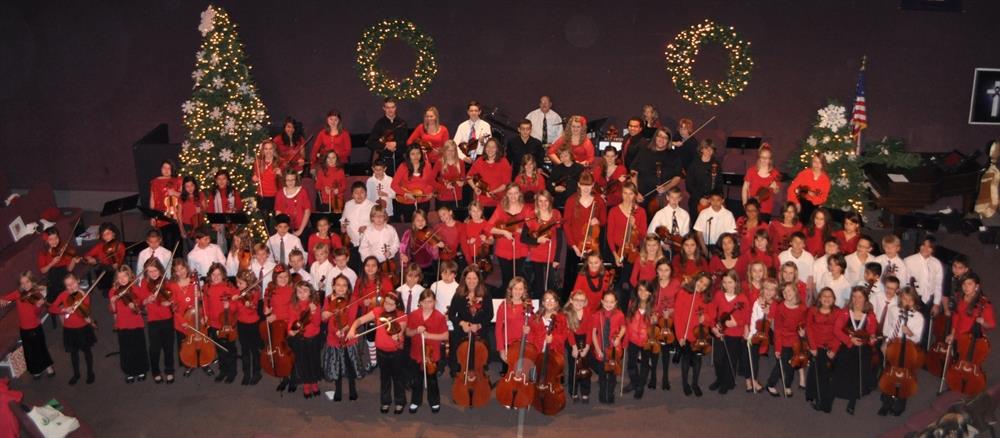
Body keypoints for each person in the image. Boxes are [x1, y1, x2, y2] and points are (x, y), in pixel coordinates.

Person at [878, 287, 924, 416]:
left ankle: (901, 401)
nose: (907, 302)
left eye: (910, 300)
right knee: (889, 372)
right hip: (893, 346)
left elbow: (917, 338)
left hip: (909, 348)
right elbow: (888, 328)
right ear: (900, 299)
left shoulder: (918, 317)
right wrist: (885, 342)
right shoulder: (893, 310)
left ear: (914, 301)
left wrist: (909, 332)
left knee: (904, 376)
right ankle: (886, 401)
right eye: (904, 299)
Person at [321, 275, 368, 401]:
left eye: (344, 285)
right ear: (333, 286)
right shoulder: (328, 299)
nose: (341, 288)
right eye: (338, 285)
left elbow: (352, 319)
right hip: (333, 337)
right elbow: (325, 317)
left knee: (349, 365)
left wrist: (343, 330)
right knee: (337, 366)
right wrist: (326, 314)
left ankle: (352, 389)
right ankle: (338, 390)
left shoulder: (352, 299)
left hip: (348, 337)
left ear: (348, 287)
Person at [832, 286, 878, 415]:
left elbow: (871, 334)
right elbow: (836, 330)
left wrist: (871, 340)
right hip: (848, 345)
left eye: (860, 297)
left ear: (865, 299)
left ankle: (853, 399)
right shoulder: (845, 312)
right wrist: (849, 340)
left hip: (862, 348)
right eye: (854, 296)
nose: (857, 300)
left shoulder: (870, 315)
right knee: (843, 364)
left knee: (859, 369)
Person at [0, 272, 55, 379]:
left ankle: (48, 366)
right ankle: (36, 370)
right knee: (29, 351)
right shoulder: (18, 293)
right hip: (24, 329)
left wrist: (39, 305)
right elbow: (6, 299)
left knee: (40, 348)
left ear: (32, 282)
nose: (25, 285)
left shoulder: (37, 294)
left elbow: (36, 312)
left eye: (27, 282)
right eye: (22, 283)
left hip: (35, 326)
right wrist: (2, 301)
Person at [562, 171, 606, 292]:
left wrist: (598, 220)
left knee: (591, 278)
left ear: (593, 185)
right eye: (583, 185)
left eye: (589, 185)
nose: (586, 188)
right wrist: (575, 247)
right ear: (579, 185)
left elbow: (603, 220)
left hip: (592, 245)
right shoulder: (571, 201)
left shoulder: (598, 201)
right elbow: (566, 225)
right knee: (571, 279)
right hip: (575, 246)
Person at [405, 289, 448, 414]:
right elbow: (408, 332)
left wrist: (429, 335)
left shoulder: (439, 316)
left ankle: (434, 401)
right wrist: (416, 331)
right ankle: (415, 401)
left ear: (434, 302)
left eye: (430, 302)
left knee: (432, 380)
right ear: (420, 302)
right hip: (416, 352)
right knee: (416, 379)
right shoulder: (414, 315)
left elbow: (445, 336)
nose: (427, 305)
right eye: (424, 302)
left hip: (432, 355)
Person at [446, 267, 494, 378]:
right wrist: (462, 323)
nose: (471, 281)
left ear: (479, 279)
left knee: (479, 360)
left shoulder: (486, 294)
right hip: (463, 332)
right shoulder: (459, 294)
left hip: (479, 332)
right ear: (464, 279)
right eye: (468, 278)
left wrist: (479, 325)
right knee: (458, 361)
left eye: (474, 278)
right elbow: (451, 314)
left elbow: (489, 315)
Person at [49, 273, 97, 385]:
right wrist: (64, 310)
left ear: (78, 281)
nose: (71, 287)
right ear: (65, 287)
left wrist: (81, 299)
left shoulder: (84, 295)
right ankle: (76, 374)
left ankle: (90, 372)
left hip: (82, 328)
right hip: (69, 329)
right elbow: (52, 308)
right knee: (73, 353)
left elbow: (86, 312)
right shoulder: (63, 295)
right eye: (68, 285)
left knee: (87, 351)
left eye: (73, 283)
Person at [674, 272, 716, 397]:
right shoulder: (683, 293)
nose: (702, 286)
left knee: (697, 359)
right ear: (696, 279)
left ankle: (695, 383)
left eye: (705, 285)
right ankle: (685, 383)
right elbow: (677, 316)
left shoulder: (706, 298)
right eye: (701, 281)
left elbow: (711, 316)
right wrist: (680, 335)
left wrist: (705, 318)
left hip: (700, 335)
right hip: (686, 334)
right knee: (686, 358)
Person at [710, 271, 750, 395]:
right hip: (720, 331)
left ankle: (727, 382)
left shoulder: (742, 298)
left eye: (730, 282)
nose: (727, 285)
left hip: (735, 334)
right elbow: (712, 311)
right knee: (718, 359)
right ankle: (719, 379)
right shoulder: (719, 295)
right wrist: (713, 327)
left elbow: (747, 317)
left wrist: (736, 323)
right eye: (725, 282)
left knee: (730, 360)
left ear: (736, 283)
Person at [766, 281, 808, 397]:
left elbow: (804, 322)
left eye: (789, 290)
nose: (786, 293)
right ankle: (770, 384)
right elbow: (778, 330)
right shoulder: (780, 308)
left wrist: (803, 331)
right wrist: (778, 348)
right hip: (783, 339)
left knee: (792, 364)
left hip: (795, 340)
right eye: (784, 292)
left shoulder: (802, 307)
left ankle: (788, 385)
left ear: (795, 292)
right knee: (781, 364)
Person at [137, 259, 173, 384]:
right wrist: (146, 300)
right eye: (150, 271)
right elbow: (140, 302)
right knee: (154, 348)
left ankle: (169, 370)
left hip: (167, 317)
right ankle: (155, 371)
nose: (153, 274)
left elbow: (172, 298)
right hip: (153, 320)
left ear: (160, 269)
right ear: (146, 272)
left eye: (155, 270)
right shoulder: (143, 283)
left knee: (168, 346)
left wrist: (169, 303)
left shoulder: (166, 281)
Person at [607, 183, 648, 292]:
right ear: (621, 194)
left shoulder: (641, 212)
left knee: (629, 284)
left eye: (631, 194)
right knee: (615, 284)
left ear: (635, 195)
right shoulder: (614, 211)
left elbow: (643, 235)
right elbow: (609, 235)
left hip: (633, 252)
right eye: (625, 193)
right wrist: (615, 255)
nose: (627, 197)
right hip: (617, 250)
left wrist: (634, 225)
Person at [904, 235, 944, 345]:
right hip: (914, 299)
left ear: (933, 249)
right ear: (919, 246)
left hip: (929, 301)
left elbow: (938, 285)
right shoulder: (908, 261)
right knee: (913, 328)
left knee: (926, 330)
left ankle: (922, 355)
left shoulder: (936, 263)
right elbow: (905, 284)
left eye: (929, 247)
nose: (925, 249)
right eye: (923, 245)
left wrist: (936, 304)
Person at [287, 281, 324, 398]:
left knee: (313, 361)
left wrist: (313, 312)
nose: (302, 294)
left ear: (310, 292)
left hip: (313, 338)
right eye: (299, 292)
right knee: (303, 362)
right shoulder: (293, 305)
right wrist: (290, 330)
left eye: (305, 291)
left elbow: (317, 323)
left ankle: (314, 383)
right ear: (295, 294)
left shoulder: (315, 304)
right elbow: (291, 320)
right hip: (300, 338)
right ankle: (306, 384)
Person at [804, 288, 839, 413]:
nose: (827, 298)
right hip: (816, 346)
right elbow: (809, 329)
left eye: (830, 296)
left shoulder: (837, 312)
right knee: (815, 369)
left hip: (830, 348)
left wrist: (834, 349)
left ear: (834, 299)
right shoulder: (813, 311)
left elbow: (839, 332)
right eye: (824, 296)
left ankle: (824, 404)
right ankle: (811, 393)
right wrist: (813, 347)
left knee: (825, 375)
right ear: (819, 298)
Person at [203, 263, 238, 383]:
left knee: (230, 348)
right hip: (214, 324)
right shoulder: (207, 287)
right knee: (219, 349)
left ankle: (232, 372)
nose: (216, 277)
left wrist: (230, 305)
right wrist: (205, 315)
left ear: (223, 275)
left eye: (219, 274)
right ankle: (223, 370)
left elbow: (236, 303)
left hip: (227, 323)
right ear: (210, 275)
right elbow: (205, 304)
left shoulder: (229, 287)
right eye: (214, 274)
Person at [522, 191, 561, 297]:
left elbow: (559, 238)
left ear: (550, 201)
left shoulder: (556, 214)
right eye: (540, 201)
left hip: (551, 255)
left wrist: (557, 258)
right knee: (539, 286)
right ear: (537, 202)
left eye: (546, 201)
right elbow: (523, 238)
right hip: (536, 255)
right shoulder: (531, 215)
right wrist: (537, 240)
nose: (543, 204)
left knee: (551, 285)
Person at [631, 128, 682, 208]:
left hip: (664, 198)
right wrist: (636, 192)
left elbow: (678, 177)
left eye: (665, 137)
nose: (661, 139)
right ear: (655, 137)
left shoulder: (674, 155)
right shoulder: (644, 151)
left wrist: (666, 188)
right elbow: (633, 172)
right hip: (642, 196)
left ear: (669, 140)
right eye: (659, 136)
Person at [622, 281, 656, 399]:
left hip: (646, 340)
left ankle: (640, 386)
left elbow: (657, 324)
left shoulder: (653, 307)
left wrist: (655, 320)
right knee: (631, 364)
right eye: (640, 289)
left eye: (646, 290)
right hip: (632, 338)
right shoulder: (632, 303)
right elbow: (627, 321)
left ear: (650, 293)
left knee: (645, 364)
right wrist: (625, 338)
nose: (643, 293)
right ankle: (634, 382)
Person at [591, 291, 626, 404]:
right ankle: (602, 392)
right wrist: (597, 349)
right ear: (602, 301)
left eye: (611, 302)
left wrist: (619, 338)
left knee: (612, 374)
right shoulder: (597, 315)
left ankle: (610, 393)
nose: (608, 304)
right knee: (602, 375)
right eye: (606, 301)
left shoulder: (620, 314)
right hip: (601, 348)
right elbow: (594, 333)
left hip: (614, 350)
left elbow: (623, 328)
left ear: (615, 303)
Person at [650, 259, 679, 390]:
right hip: (656, 319)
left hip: (669, 320)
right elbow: (648, 303)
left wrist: (672, 311)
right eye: (660, 270)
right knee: (654, 348)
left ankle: (665, 377)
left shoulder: (676, 283)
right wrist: (653, 314)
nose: (663, 273)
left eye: (666, 270)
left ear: (671, 271)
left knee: (665, 349)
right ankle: (653, 376)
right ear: (656, 271)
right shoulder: (653, 284)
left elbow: (680, 303)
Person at [230, 269, 262, 385]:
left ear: (248, 283)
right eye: (237, 283)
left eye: (241, 283)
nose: (238, 286)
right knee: (244, 349)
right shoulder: (237, 292)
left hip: (253, 323)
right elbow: (233, 310)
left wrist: (249, 304)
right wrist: (233, 301)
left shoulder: (255, 292)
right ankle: (246, 373)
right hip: (241, 323)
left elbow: (253, 307)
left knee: (254, 349)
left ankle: (257, 372)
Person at [747, 278, 778, 393]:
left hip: (766, 333)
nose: (769, 292)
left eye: (772, 289)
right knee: (753, 357)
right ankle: (753, 379)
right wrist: (751, 334)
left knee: (758, 355)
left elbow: (772, 322)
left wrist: (768, 313)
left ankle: (753, 378)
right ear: (762, 290)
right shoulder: (757, 301)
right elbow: (754, 318)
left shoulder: (775, 304)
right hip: (755, 332)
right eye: (766, 289)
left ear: (776, 292)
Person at [494, 277, 532, 370]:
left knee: (525, 372)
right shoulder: (504, 305)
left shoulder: (528, 304)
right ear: (510, 290)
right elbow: (498, 329)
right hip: (509, 344)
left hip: (525, 343)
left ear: (524, 290)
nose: (518, 292)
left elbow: (533, 324)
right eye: (515, 288)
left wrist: (529, 328)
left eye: (520, 289)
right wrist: (501, 350)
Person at [468, 138, 512, 216]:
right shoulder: (480, 160)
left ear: (497, 149)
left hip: (498, 203)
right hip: (480, 204)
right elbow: (469, 177)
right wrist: (475, 187)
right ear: (485, 148)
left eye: (493, 147)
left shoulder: (504, 162)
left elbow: (506, 184)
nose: (490, 149)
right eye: (488, 146)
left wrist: (493, 192)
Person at [392, 146, 435, 222]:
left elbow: (431, 182)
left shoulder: (427, 165)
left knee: (423, 224)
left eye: (418, 153)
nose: (416, 156)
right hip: (408, 201)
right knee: (410, 224)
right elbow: (394, 185)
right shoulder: (403, 166)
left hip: (424, 200)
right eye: (413, 154)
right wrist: (405, 193)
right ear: (408, 155)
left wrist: (429, 192)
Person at [365, 98, 407, 175]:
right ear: (384, 108)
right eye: (387, 107)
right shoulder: (379, 124)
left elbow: (406, 142)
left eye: (392, 107)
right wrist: (385, 145)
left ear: (395, 108)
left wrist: (396, 144)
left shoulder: (402, 123)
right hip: (385, 161)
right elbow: (370, 142)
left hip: (399, 161)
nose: (390, 110)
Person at [204, 169, 242, 254]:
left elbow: (239, 206)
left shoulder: (233, 192)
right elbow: (210, 210)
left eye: (223, 178)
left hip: (231, 224)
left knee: (232, 248)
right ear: (216, 180)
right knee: (221, 250)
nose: (221, 181)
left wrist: (233, 209)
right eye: (219, 179)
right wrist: (214, 224)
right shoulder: (213, 193)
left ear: (227, 180)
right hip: (219, 225)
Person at [564, 290, 593, 402]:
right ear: (571, 300)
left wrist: (587, 346)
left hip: (585, 340)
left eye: (582, 300)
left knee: (585, 367)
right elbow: (569, 332)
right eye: (576, 300)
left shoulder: (588, 311)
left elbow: (590, 330)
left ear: (585, 302)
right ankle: (574, 391)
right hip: (573, 341)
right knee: (574, 368)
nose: (579, 303)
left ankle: (585, 392)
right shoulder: (568, 313)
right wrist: (574, 347)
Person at [39, 228, 79, 307]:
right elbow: (42, 270)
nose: (54, 241)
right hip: (54, 280)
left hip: (66, 276)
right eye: (51, 239)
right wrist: (51, 263)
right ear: (46, 241)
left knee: (72, 300)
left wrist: (73, 260)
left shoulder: (63, 250)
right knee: (60, 304)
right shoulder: (43, 253)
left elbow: (69, 269)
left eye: (56, 238)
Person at [82, 222, 125, 296]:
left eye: (108, 233)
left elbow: (119, 262)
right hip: (104, 270)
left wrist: (116, 264)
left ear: (114, 234)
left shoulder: (120, 246)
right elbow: (86, 256)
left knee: (119, 287)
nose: (106, 237)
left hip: (117, 269)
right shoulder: (100, 246)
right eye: (104, 235)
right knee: (106, 293)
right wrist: (90, 259)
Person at [149, 160, 184, 249]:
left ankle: (177, 262)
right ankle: (169, 261)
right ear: (161, 169)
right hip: (162, 215)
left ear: (172, 169)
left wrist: (174, 193)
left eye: (169, 168)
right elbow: (152, 199)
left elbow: (185, 196)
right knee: (167, 241)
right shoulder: (155, 182)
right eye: (164, 167)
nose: (166, 170)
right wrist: (152, 216)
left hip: (177, 215)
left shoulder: (178, 180)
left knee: (178, 243)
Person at [787, 152, 831, 221]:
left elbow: (823, 198)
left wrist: (813, 197)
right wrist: (796, 203)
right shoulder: (804, 173)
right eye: (815, 162)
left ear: (823, 164)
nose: (817, 165)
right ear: (812, 162)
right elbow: (791, 189)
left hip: (813, 207)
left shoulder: (825, 180)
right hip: (800, 203)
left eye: (819, 162)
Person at [343, 181, 375, 272]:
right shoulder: (348, 204)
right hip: (352, 244)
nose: (359, 195)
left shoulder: (373, 206)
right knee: (352, 270)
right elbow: (343, 219)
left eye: (362, 192)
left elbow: (380, 225)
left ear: (366, 193)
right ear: (352, 195)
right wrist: (343, 225)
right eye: (356, 193)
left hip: (368, 245)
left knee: (364, 271)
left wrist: (368, 228)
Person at [741, 144, 781, 215]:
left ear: (770, 159)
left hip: (766, 210)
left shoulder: (775, 173)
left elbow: (776, 191)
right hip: (752, 209)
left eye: (767, 158)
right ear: (759, 157)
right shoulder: (751, 171)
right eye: (762, 157)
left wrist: (775, 188)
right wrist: (745, 205)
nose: (764, 160)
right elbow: (745, 188)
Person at [399, 210, 438, 282]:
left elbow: (435, 256)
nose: (420, 222)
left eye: (423, 220)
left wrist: (435, 248)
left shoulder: (429, 233)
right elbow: (402, 248)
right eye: (418, 220)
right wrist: (403, 255)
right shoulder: (409, 233)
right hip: (414, 267)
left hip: (428, 267)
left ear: (426, 221)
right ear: (413, 222)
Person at [685, 139, 722, 214]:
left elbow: (719, 183)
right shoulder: (694, 164)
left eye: (711, 149)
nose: (709, 151)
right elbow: (689, 185)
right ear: (701, 149)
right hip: (696, 199)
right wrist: (700, 199)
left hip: (712, 200)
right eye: (706, 148)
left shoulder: (716, 164)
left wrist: (713, 199)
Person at [275, 172, 313, 238]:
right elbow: (278, 212)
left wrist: (300, 230)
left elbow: (307, 211)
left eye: (293, 179)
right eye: (288, 180)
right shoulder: (280, 193)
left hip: (302, 228)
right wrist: (282, 229)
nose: (290, 182)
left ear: (296, 180)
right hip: (286, 229)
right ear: (284, 180)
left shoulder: (303, 191)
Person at [432, 141, 467, 213]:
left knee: (457, 221)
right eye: (448, 150)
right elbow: (431, 180)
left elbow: (464, 178)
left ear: (456, 151)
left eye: (453, 150)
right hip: (443, 198)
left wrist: (463, 183)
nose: (450, 153)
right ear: (444, 151)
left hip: (457, 197)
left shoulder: (461, 163)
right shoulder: (439, 162)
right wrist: (443, 187)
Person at [252, 140, 283, 213]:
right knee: (264, 220)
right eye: (266, 149)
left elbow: (288, 180)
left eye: (270, 148)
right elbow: (255, 176)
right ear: (262, 150)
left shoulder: (280, 162)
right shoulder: (258, 162)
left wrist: (281, 174)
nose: (268, 151)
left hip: (276, 196)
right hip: (262, 195)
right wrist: (254, 178)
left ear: (274, 150)